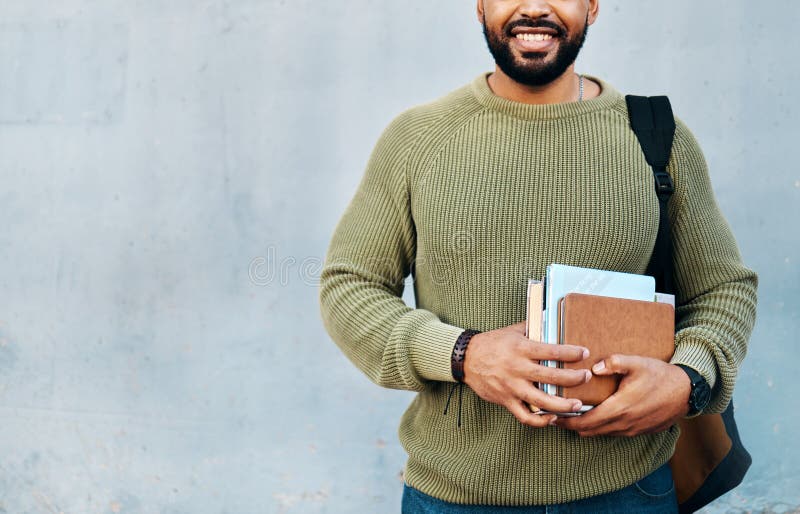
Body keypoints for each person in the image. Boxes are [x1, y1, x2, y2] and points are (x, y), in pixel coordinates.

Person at [318, 0, 758, 512]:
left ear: (592, 7)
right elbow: (350, 286)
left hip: (630, 492)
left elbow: (724, 289)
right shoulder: (417, 138)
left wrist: (689, 378)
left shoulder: (659, 137)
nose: (533, 8)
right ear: (480, 6)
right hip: (454, 497)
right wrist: (461, 354)